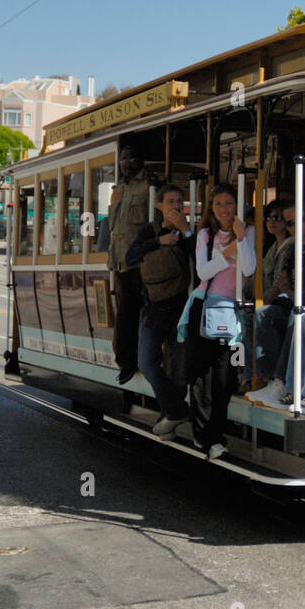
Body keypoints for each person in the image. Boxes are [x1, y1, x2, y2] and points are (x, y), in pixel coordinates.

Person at [189, 183, 256, 458]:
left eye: (228, 204)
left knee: (225, 377)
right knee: (203, 377)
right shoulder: (205, 234)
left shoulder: (247, 233)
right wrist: (227, 253)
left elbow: (250, 269)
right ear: (211, 208)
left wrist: (240, 241)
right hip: (207, 310)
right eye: (218, 204)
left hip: (233, 313)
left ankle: (215, 435)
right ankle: (205, 437)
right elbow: (203, 272)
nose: (224, 210)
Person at [125, 184, 194, 435]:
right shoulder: (149, 231)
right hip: (153, 309)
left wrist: (186, 232)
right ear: (159, 205)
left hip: (181, 309)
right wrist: (159, 241)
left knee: (178, 370)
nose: (175, 206)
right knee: (147, 362)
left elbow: (200, 259)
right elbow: (129, 257)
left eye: (179, 202)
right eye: (171, 201)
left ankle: (170, 417)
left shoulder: (190, 232)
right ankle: (176, 411)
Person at [106, 142, 151, 383]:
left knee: (130, 315)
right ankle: (127, 360)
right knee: (125, 314)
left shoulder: (148, 187)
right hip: (120, 262)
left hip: (139, 263)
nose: (125, 164)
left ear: (140, 161)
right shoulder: (118, 189)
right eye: (122, 160)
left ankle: (129, 361)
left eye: (130, 159)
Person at [249, 198, 297, 385]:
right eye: (268, 218)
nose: (272, 222)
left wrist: (264, 300)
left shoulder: (291, 246)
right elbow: (259, 278)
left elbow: (279, 284)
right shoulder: (272, 248)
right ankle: (249, 374)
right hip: (272, 299)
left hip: (286, 302)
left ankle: (269, 378)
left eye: (277, 217)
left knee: (263, 314)